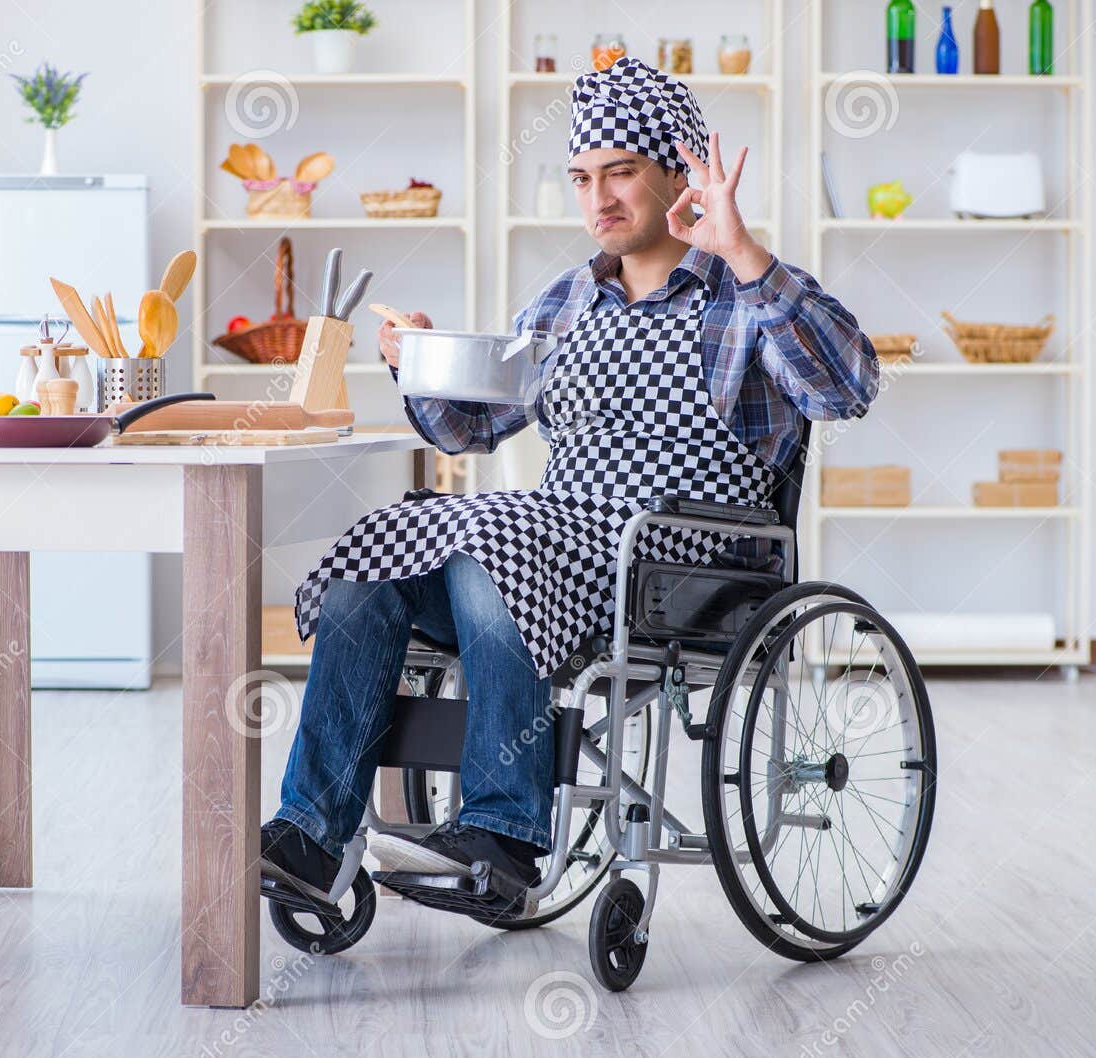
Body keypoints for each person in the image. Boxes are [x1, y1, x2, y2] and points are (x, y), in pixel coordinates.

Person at [260, 56, 882, 917]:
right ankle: (313, 837)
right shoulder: (564, 303)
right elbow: (472, 431)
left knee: (492, 542)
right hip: (553, 544)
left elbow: (846, 389)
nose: (601, 199)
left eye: (622, 172)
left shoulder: (744, 296)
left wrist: (742, 249)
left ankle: (505, 833)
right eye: (583, 178)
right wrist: (417, 366)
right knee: (378, 556)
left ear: (678, 173)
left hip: (683, 564)